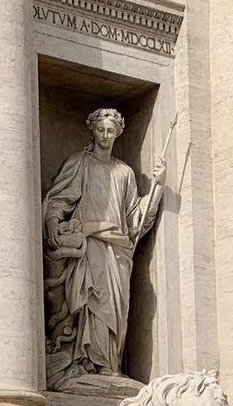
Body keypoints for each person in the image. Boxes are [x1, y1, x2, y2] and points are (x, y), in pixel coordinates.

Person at [41, 108, 165, 388]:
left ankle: (108, 365)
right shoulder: (79, 164)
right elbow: (59, 199)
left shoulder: (125, 173)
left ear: (118, 133)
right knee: (87, 304)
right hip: (88, 247)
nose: (106, 136)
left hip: (117, 251)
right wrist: (52, 221)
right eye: (101, 130)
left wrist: (157, 188)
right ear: (92, 131)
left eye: (111, 131)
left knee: (113, 311)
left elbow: (135, 219)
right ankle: (82, 362)